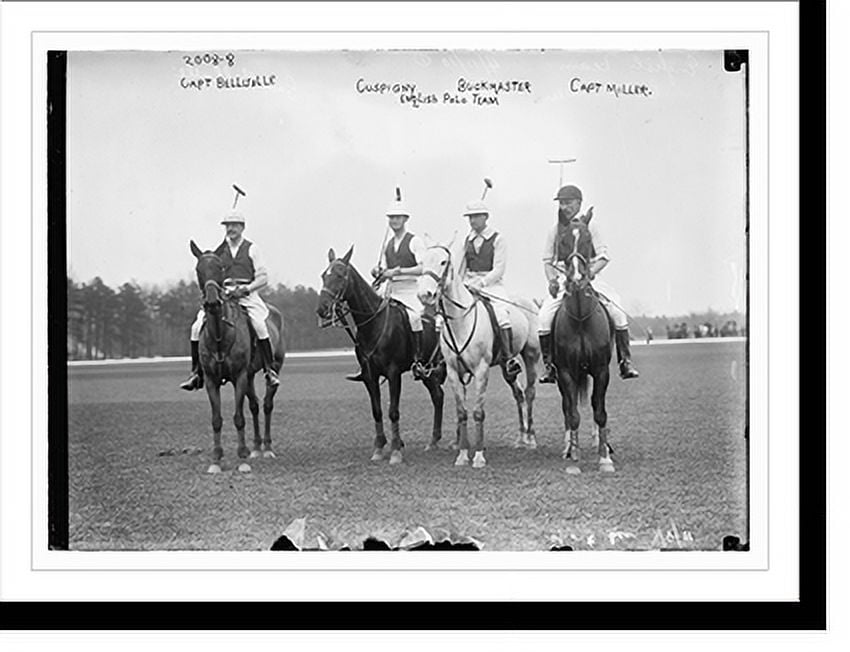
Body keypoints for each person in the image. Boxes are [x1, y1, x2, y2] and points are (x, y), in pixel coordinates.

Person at [537, 184, 640, 383]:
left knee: (617, 311)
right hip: (563, 278)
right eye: (561, 203)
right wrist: (551, 280)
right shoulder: (554, 230)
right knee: (543, 317)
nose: (564, 207)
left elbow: (603, 256)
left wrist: (590, 273)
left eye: (567, 203)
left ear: (578, 203)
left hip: (589, 275)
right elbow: (547, 261)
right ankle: (549, 366)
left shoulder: (592, 227)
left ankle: (625, 361)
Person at [180, 209, 279, 390]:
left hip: (247, 295)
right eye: (227, 226)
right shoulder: (219, 251)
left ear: (242, 227)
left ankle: (269, 370)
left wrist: (246, 289)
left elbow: (263, 278)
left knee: (259, 324)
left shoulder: (252, 249)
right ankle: (196, 373)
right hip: (223, 295)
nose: (230, 229)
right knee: (196, 328)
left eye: (234, 225)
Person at [345, 196, 429, 381]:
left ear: (405, 219)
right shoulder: (388, 244)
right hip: (390, 290)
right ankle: (365, 364)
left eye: (398, 217)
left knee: (415, 318)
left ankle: (418, 361)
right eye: (391, 217)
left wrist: (398, 271)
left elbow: (423, 268)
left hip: (409, 290)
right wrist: (378, 272)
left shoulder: (415, 241)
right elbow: (384, 269)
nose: (394, 221)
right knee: (368, 315)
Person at [451, 200, 523, 383]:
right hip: (469, 283)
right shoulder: (467, 241)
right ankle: (443, 360)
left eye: (476, 217)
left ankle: (508, 358)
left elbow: (499, 269)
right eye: (470, 217)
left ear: (486, 217)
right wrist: (460, 284)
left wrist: (482, 283)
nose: (472, 221)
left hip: (492, 284)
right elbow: (461, 268)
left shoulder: (497, 239)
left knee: (502, 314)